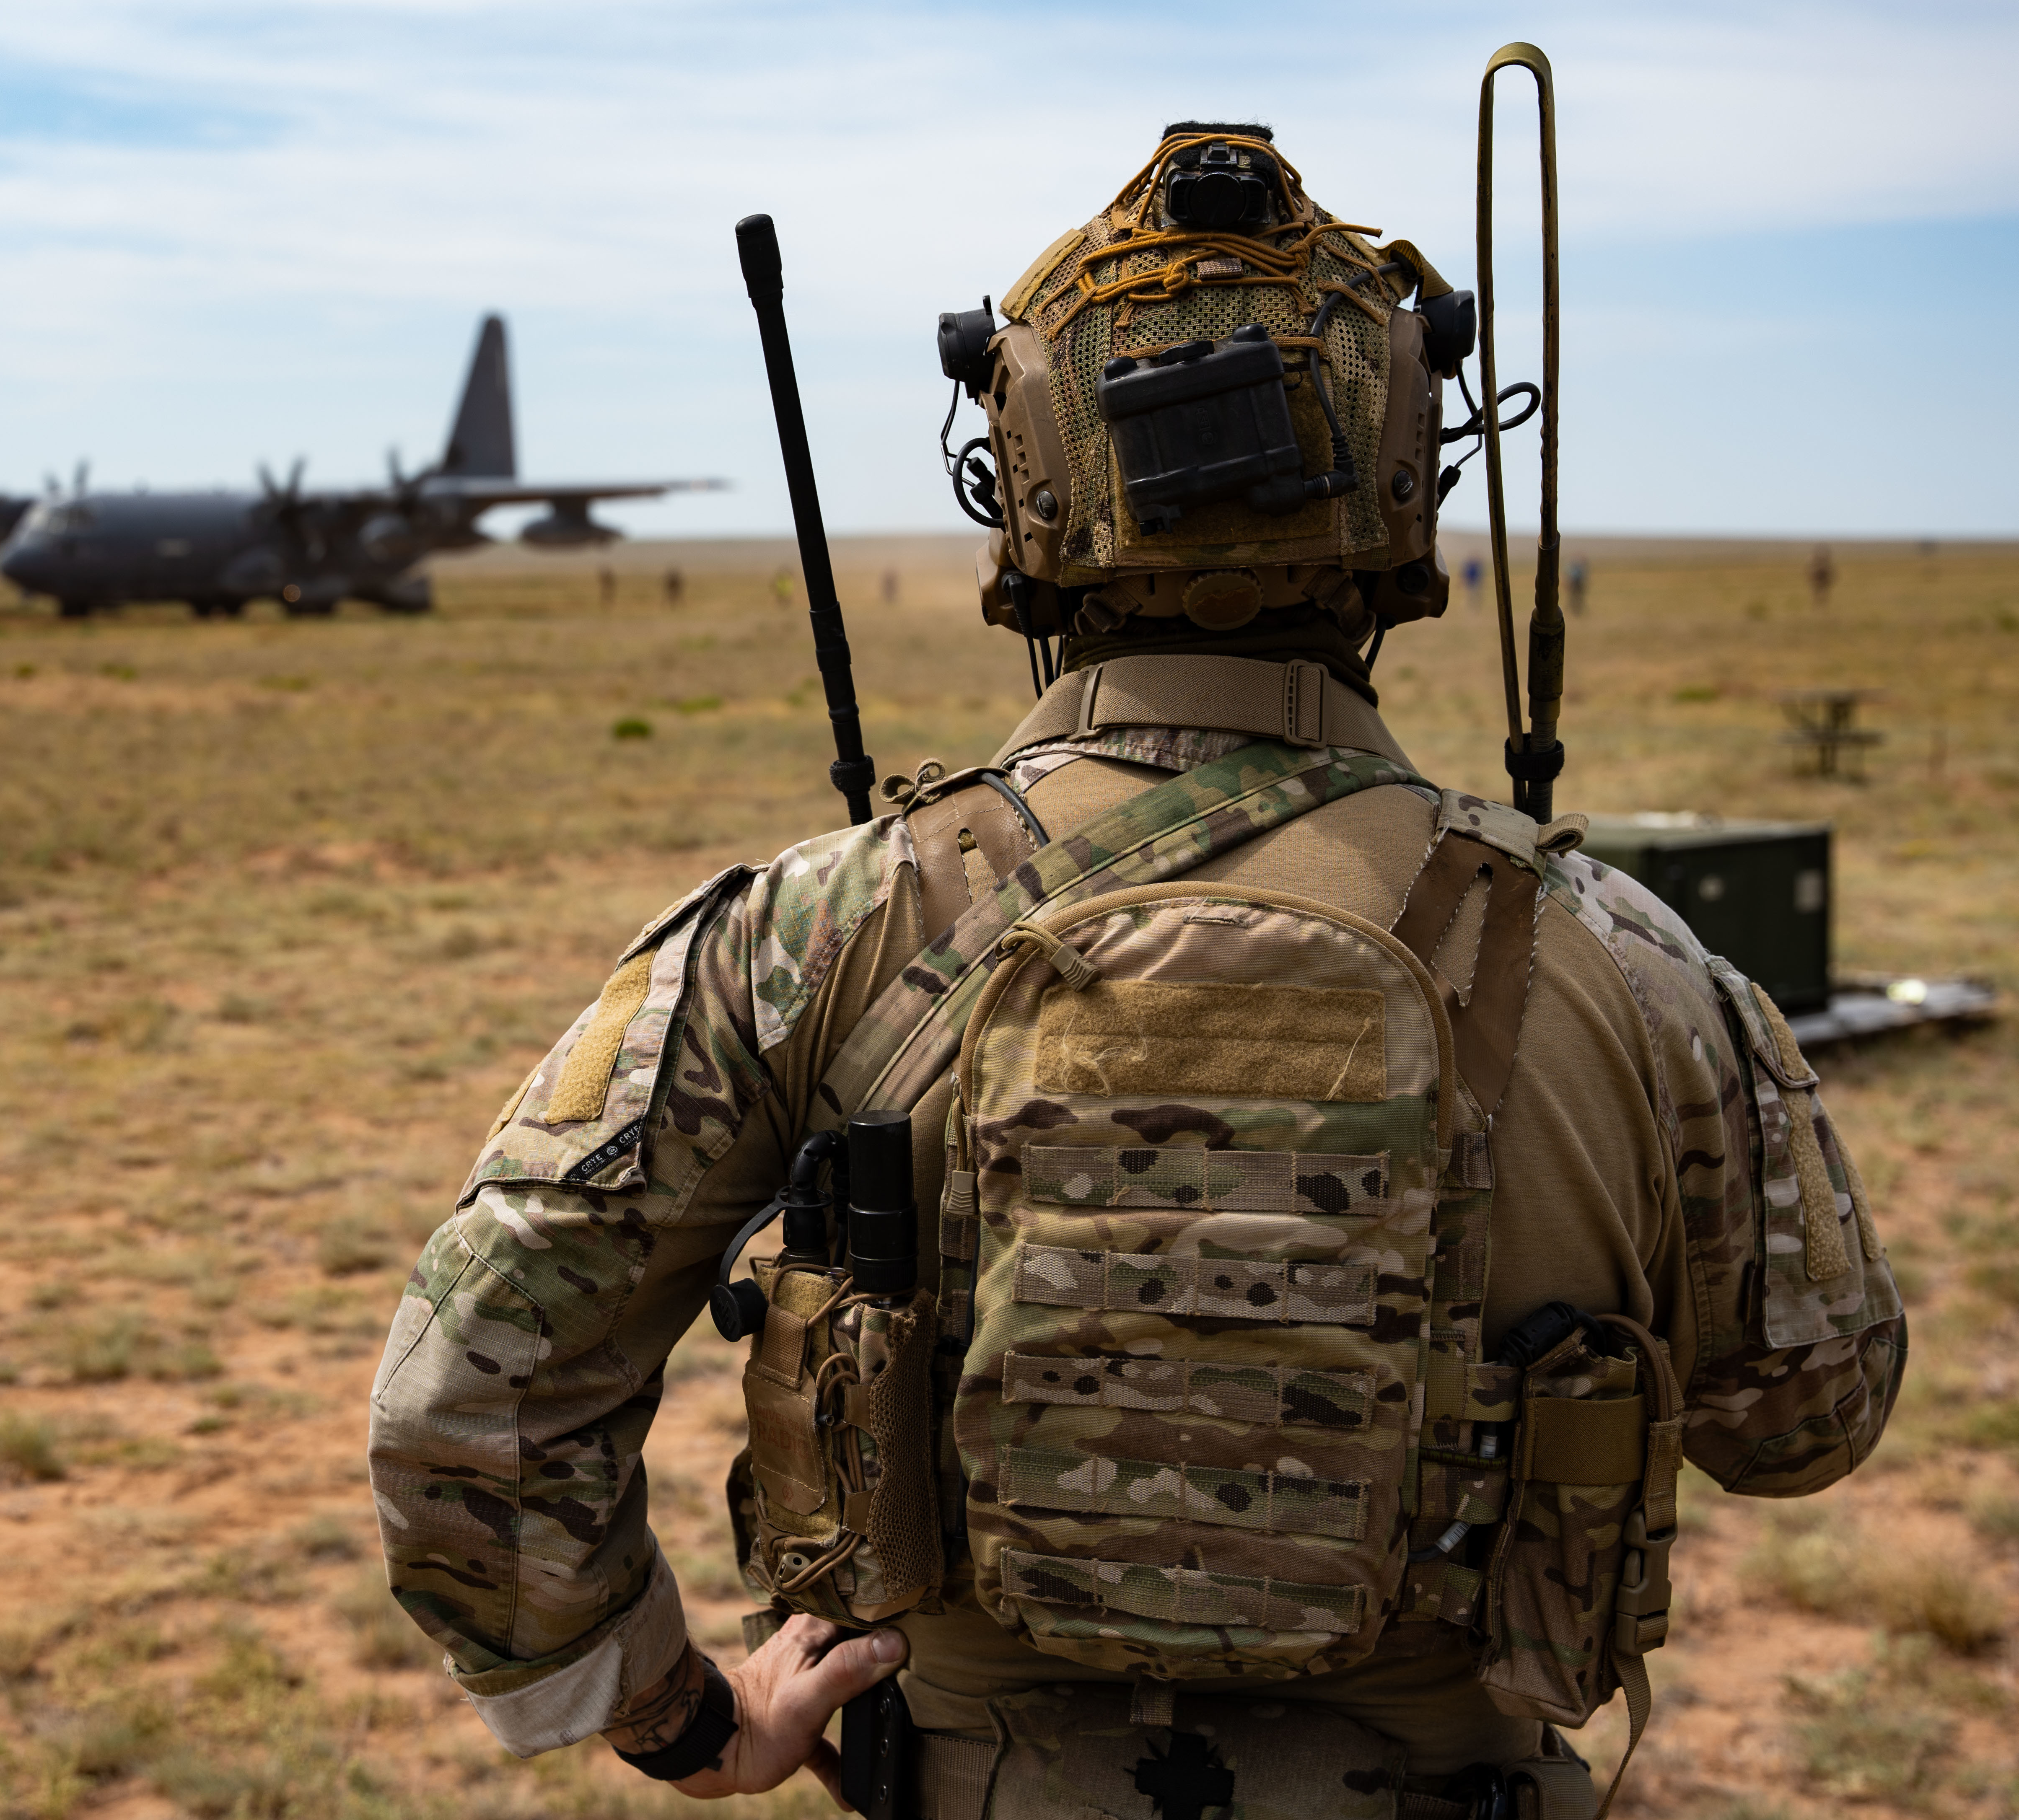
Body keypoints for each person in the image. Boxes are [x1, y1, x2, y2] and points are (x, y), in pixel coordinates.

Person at [370, 122, 1902, 1820]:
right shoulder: (1635, 965)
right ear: (1404, 486)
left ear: (1016, 482)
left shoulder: (812, 933)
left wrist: (679, 1719)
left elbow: (469, 1397)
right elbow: (1803, 1423)